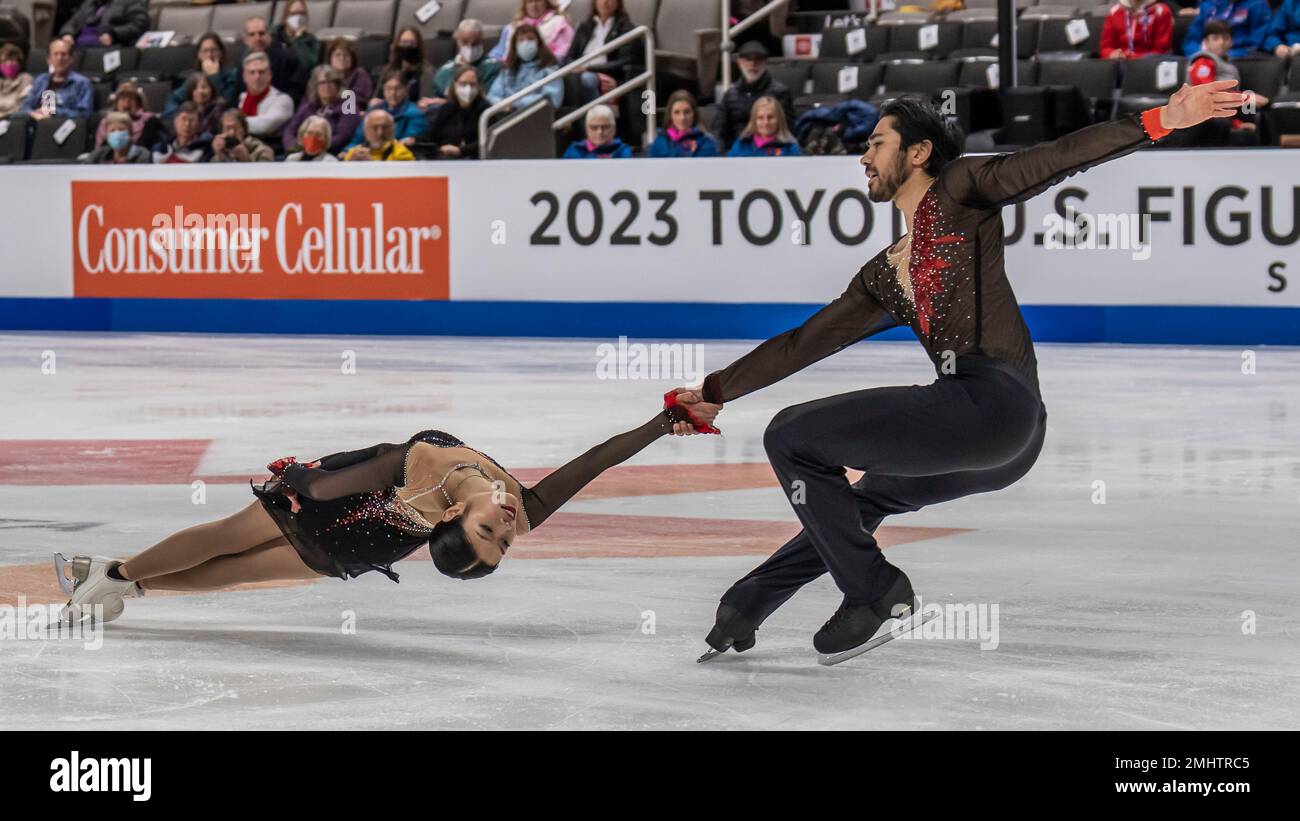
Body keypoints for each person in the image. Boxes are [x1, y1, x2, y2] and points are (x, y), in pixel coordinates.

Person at [679, 84, 1244, 665]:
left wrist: (1161, 120)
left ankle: (876, 594)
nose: (864, 157)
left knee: (790, 437)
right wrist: (714, 393)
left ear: (919, 152)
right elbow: (805, 342)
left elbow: (1052, 159)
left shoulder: (959, 190)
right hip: (1007, 446)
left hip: (992, 407)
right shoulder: (886, 275)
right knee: (867, 495)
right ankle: (748, 605)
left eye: (876, 143)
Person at [56, 400, 711, 623]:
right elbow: (595, 462)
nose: (509, 528)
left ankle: (116, 576)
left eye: (492, 534)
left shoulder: (433, 473)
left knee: (229, 549)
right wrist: (663, 421)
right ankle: (120, 583)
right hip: (360, 538)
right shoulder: (523, 503)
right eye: (500, 539)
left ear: (451, 519)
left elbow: (362, 468)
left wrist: (301, 479)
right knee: (229, 559)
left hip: (339, 519)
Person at [1187, 20, 1268, 143]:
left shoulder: (1227, 64)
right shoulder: (1202, 61)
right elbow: (1206, 94)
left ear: (1231, 42)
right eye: (1215, 38)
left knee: (1258, 109)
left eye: (1225, 38)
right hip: (1201, 117)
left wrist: (1237, 123)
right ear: (1206, 42)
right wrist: (1244, 97)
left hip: (1224, 114)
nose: (1221, 42)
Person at [713, 40, 796, 150]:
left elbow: (787, 130)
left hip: (771, 152)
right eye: (748, 59)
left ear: (765, 62)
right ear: (739, 62)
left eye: (758, 59)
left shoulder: (780, 93)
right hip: (736, 154)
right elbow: (718, 130)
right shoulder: (730, 95)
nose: (753, 64)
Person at [567, 0, 637, 104]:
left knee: (587, 79)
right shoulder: (585, 26)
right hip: (580, 70)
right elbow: (570, 55)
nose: (605, 2)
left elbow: (624, 61)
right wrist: (573, 67)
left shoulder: (626, 28)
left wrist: (588, 68)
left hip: (604, 72)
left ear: (618, 3)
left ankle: (591, 116)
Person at [282, 65, 361, 154]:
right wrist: (294, 146)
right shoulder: (308, 105)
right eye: (323, 82)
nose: (327, 86)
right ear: (315, 86)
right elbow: (289, 130)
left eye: (331, 82)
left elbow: (343, 136)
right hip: (302, 151)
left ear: (338, 85)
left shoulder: (348, 105)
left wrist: (316, 146)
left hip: (334, 155)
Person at [346, 68, 428, 151]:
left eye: (398, 88)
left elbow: (406, 145)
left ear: (406, 89)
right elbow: (357, 139)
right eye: (388, 88)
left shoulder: (414, 113)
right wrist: (347, 152)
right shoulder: (373, 111)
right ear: (383, 90)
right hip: (368, 156)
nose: (393, 93)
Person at [486, 23, 564, 111]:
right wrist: (502, 104)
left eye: (530, 39)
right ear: (515, 46)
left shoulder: (549, 68)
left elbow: (552, 100)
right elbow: (492, 96)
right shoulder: (508, 69)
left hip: (535, 116)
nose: (526, 43)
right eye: (521, 40)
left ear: (538, 43)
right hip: (506, 115)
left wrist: (515, 104)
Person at [21, 38, 93, 120]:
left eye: (64, 54)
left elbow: (85, 114)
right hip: (38, 125)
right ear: (48, 60)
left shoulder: (82, 83)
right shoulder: (41, 80)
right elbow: (25, 108)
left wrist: (54, 111)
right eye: (55, 54)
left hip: (64, 126)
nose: (59, 58)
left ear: (71, 59)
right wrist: (33, 113)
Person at [432, 18, 502, 101]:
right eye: (465, 42)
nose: (470, 47)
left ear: (482, 41)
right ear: (458, 41)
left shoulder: (493, 67)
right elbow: (436, 100)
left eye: (475, 43)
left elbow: (486, 99)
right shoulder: (444, 73)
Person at [425, 64, 487, 158]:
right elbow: (431, 137)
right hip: (444, 160)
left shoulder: (486, 112)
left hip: (474, 161)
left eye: (473, 84)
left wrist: (461, 151)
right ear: (455, 85)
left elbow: (489, 141)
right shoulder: (446, 109)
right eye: (463, 84)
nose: (468, 89)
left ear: (479, 86)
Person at [240, 16, 307, 102]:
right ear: (245, 40)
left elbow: (297, 92)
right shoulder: (243, 62)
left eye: (261, 33)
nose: (258, 38)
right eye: (252, 34)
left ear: (269, 35)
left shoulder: (289, 58)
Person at [165, 33, 239, 110]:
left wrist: (214, 76)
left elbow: (226, 102)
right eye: (205, 51)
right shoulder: (194, 76)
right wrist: (176, 113)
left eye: (214, 50)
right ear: (199, 55)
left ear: (221, 53)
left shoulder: (232, 74)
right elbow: (174, 98)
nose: (209, 55)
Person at [489, 0, 574, 63]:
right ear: (524, 5)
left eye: (538, 1)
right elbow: (498, 53)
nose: (534, 5)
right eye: (530, 1)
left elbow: (563, 53)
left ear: (546, 3)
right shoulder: (511, 27)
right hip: (510, 72)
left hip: (544, 71)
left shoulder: (559, 23)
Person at [1181, 0, 1272, 58]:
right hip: (1203, 55)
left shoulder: (1257, 5)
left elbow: (1257, 42)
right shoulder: (1209, 5)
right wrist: (1201, 54)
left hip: (1238, 59)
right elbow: (1191, 39)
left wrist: (1227, 55)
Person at [237, 51, 294, 141]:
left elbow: (265, 126)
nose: (257, 77)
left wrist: (235, 123)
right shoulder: (242, 98)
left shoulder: (283, 100)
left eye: (261, 72)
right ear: (244, 77)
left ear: (269, 75)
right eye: (252, 73)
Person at [648, 90, 719, 158]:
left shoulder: (706, 143)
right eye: (677, 112)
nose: (682, 118)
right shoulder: (659, 142)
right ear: (670, 115)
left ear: (694, 114)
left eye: (687, 112)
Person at [382, 26, 439, 109]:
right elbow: (377, 97)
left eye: (411, 43)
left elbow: (426, 101)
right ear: (397, 44)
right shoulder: (388, 69)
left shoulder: (427, 71)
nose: (407, 46)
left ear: (418, 46)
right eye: (403, 42)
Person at [92, 81, 161, 149]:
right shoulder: (106, 121)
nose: (127, 102)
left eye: (131, 98)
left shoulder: (149, 120)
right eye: (122, 98)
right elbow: (99, 148)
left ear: (138, 103)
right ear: (116, 103)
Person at [727, 95, 801, 157]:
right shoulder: (741, 144)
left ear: (779, 119)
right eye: (760, 118)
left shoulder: (790, 147)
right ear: (754, 121)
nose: (765, 122)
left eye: (770, 117)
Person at [58, 0, 148, 49]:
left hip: (108, 47)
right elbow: (72, 22)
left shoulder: (131, 2)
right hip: (77, 48)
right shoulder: (89, 3)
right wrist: (67, 34)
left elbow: (140, 24)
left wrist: (114, 34)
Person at [1100, 0, 1174, 59]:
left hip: (1150, 64)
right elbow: (1105, 47)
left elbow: (1161, 51)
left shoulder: (1161, 11)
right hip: (1121, 63)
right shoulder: (1114, 12)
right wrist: (1111, 54)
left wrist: (1132, 57)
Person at [164, 72, 226, 137]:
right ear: (190, 92)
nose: (200, 91)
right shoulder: (184, 108)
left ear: (211, 89)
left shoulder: (218, 108)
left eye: (204, 87)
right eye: (195, 88)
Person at [322, 37, 373, 111]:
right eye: (337, 55)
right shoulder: (322, 75)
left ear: (352, 59)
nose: (342, 58)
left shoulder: (360, 74)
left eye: (346, 55)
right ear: (330, 58)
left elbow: (359, 101)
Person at [343, 109, 414, 161]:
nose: (380, 132)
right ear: (365, 131)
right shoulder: (353, 153)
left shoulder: (402, 154)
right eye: (374, 128)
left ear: (393, 130)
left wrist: (371, 164)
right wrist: (350, 165)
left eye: (385, 127)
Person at [562, 104, 631, 158]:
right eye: (594, 128)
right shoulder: (574, 151)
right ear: (587, 130)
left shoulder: (623, 151)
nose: (599, 132)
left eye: (605, 127)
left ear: (614, 129)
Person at [79, 110, 150, 163]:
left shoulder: (143, 154)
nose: (117, 133)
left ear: (130, 133)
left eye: (121, 129)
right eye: (112, 131)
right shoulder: (98, 154)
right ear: (107, 135)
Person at [273, 0, 321, 71]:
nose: (298, 17)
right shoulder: (275, 33)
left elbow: (309, 64)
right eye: (294, 14)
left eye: (302, 13)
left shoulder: (311, 40)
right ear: (286, 17)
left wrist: (299, 39)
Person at [210, 108, 275, 162]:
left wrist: (247, 160)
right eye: (227, 128)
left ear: (244, 129)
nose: (232, 133)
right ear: (221, 131)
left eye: (236, 128)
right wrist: (219, 156)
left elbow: (264, 175)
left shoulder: (263, 151)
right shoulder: (220, 151)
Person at [0, 43, 33, 118]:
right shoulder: (1, 82)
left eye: (12, 60)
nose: (8, 64)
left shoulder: (25, 79)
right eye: (4, 61)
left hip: (14, 121)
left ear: (20, 63)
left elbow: (22, 106)